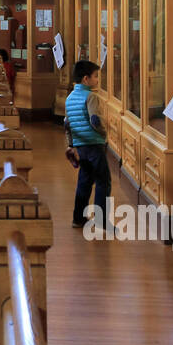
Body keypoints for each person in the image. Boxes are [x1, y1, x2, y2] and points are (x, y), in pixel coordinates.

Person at [64, 59, 112, 234]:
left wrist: (71, 144)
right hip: (94, 144)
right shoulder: (91, 96)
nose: (97, 80)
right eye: (95, 76)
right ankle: (101, 220)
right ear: (86, 79)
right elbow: (94, 120)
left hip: (80, 146)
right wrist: (104, 133)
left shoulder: (69, 98)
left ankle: (78, 218)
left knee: (84, 182)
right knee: (103, 182)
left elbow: (67, 124)